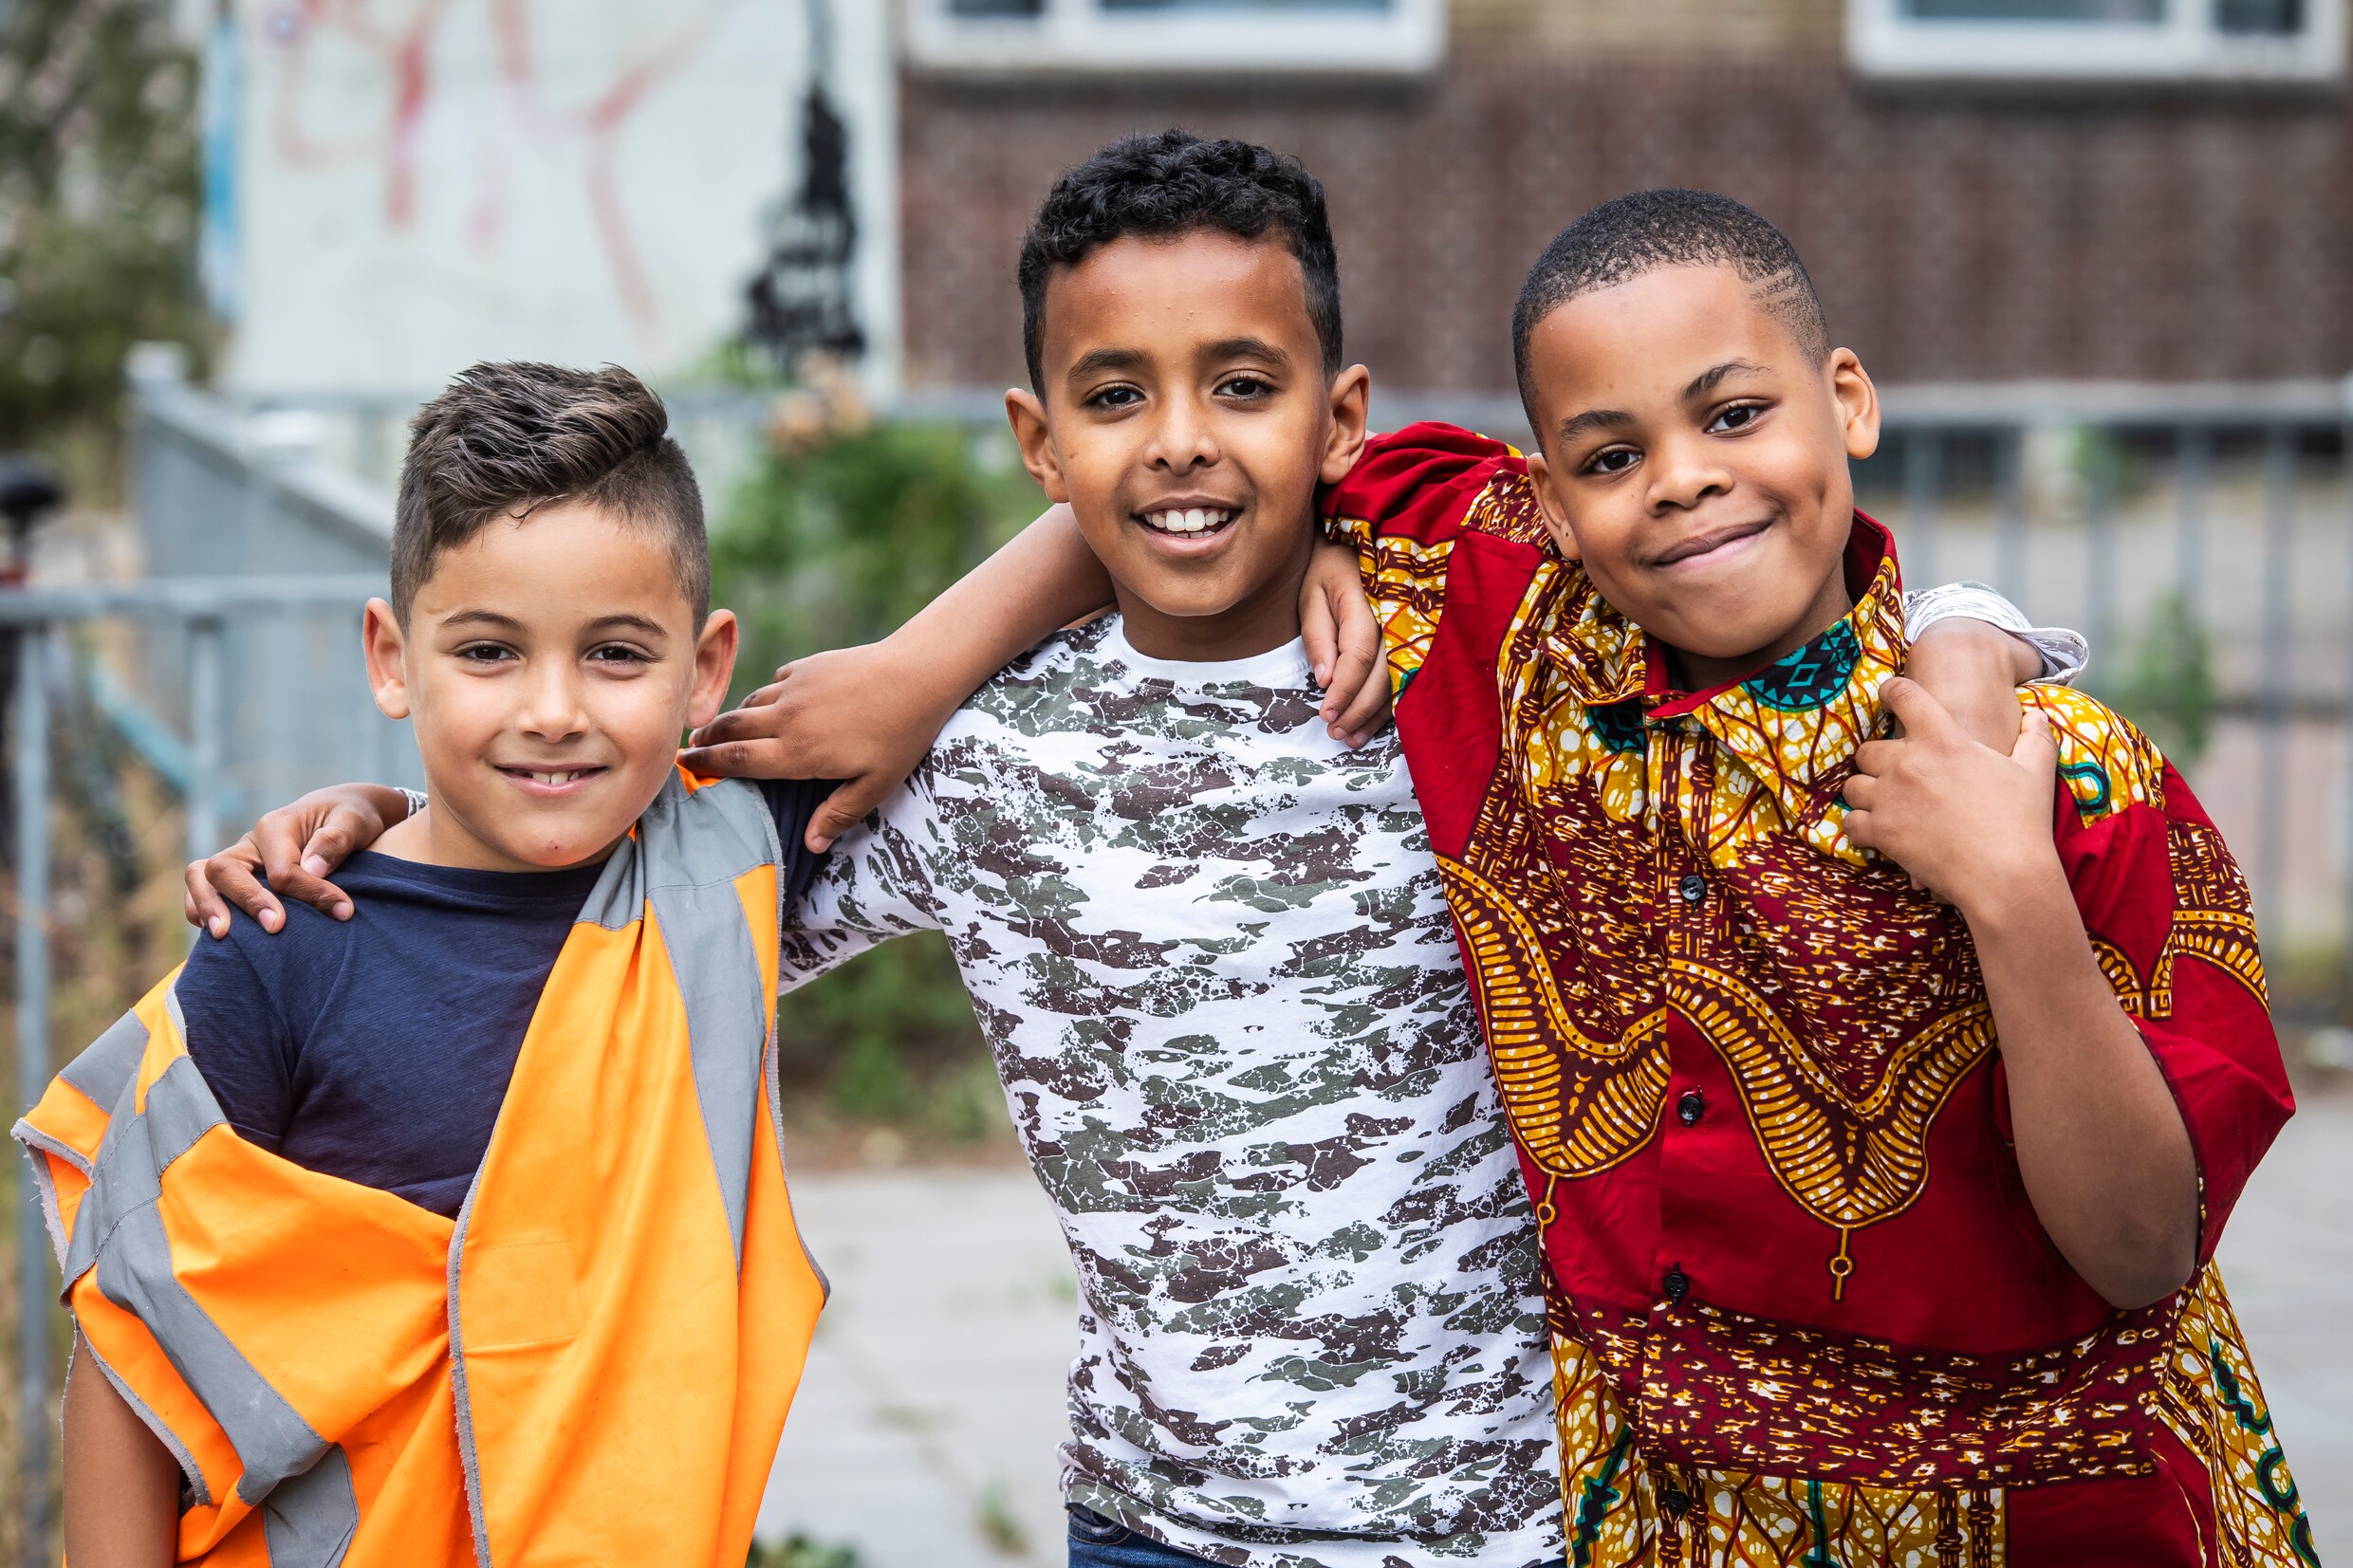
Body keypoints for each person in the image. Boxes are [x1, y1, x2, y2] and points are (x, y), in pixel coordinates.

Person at [188, 138, 2075, 1568]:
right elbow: (603, 893)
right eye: (1114, 400)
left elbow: (1783, 579)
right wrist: (371, 828)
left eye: (1242, 390)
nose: (1181, 444)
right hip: (1151, 1520)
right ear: (1035, 436)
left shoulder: (1477, 662)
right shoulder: (983, 757)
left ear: (1337, 421)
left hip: (1518, 1515)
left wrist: (1973, 640)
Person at [1311, 190, 2311, 1563]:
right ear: (1544, 499)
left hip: (2054, 1518)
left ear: (1848, 400)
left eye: (1733, 416)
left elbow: (2146, 1247)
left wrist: (2010, 889)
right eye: (1610, 456)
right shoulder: (1518, 644)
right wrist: (919, 664)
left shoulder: (2061, 771)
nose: (1678, 478)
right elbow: (1215, 470)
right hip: (1669, 1523)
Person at [20, 361, 846, 1567]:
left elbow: (1105, 553)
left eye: (617, 654)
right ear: (393, 657)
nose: (554, 709)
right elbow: (134, 1338)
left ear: (706, 668)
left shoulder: (722, 871)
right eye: (489, 653)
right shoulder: (283, 946)